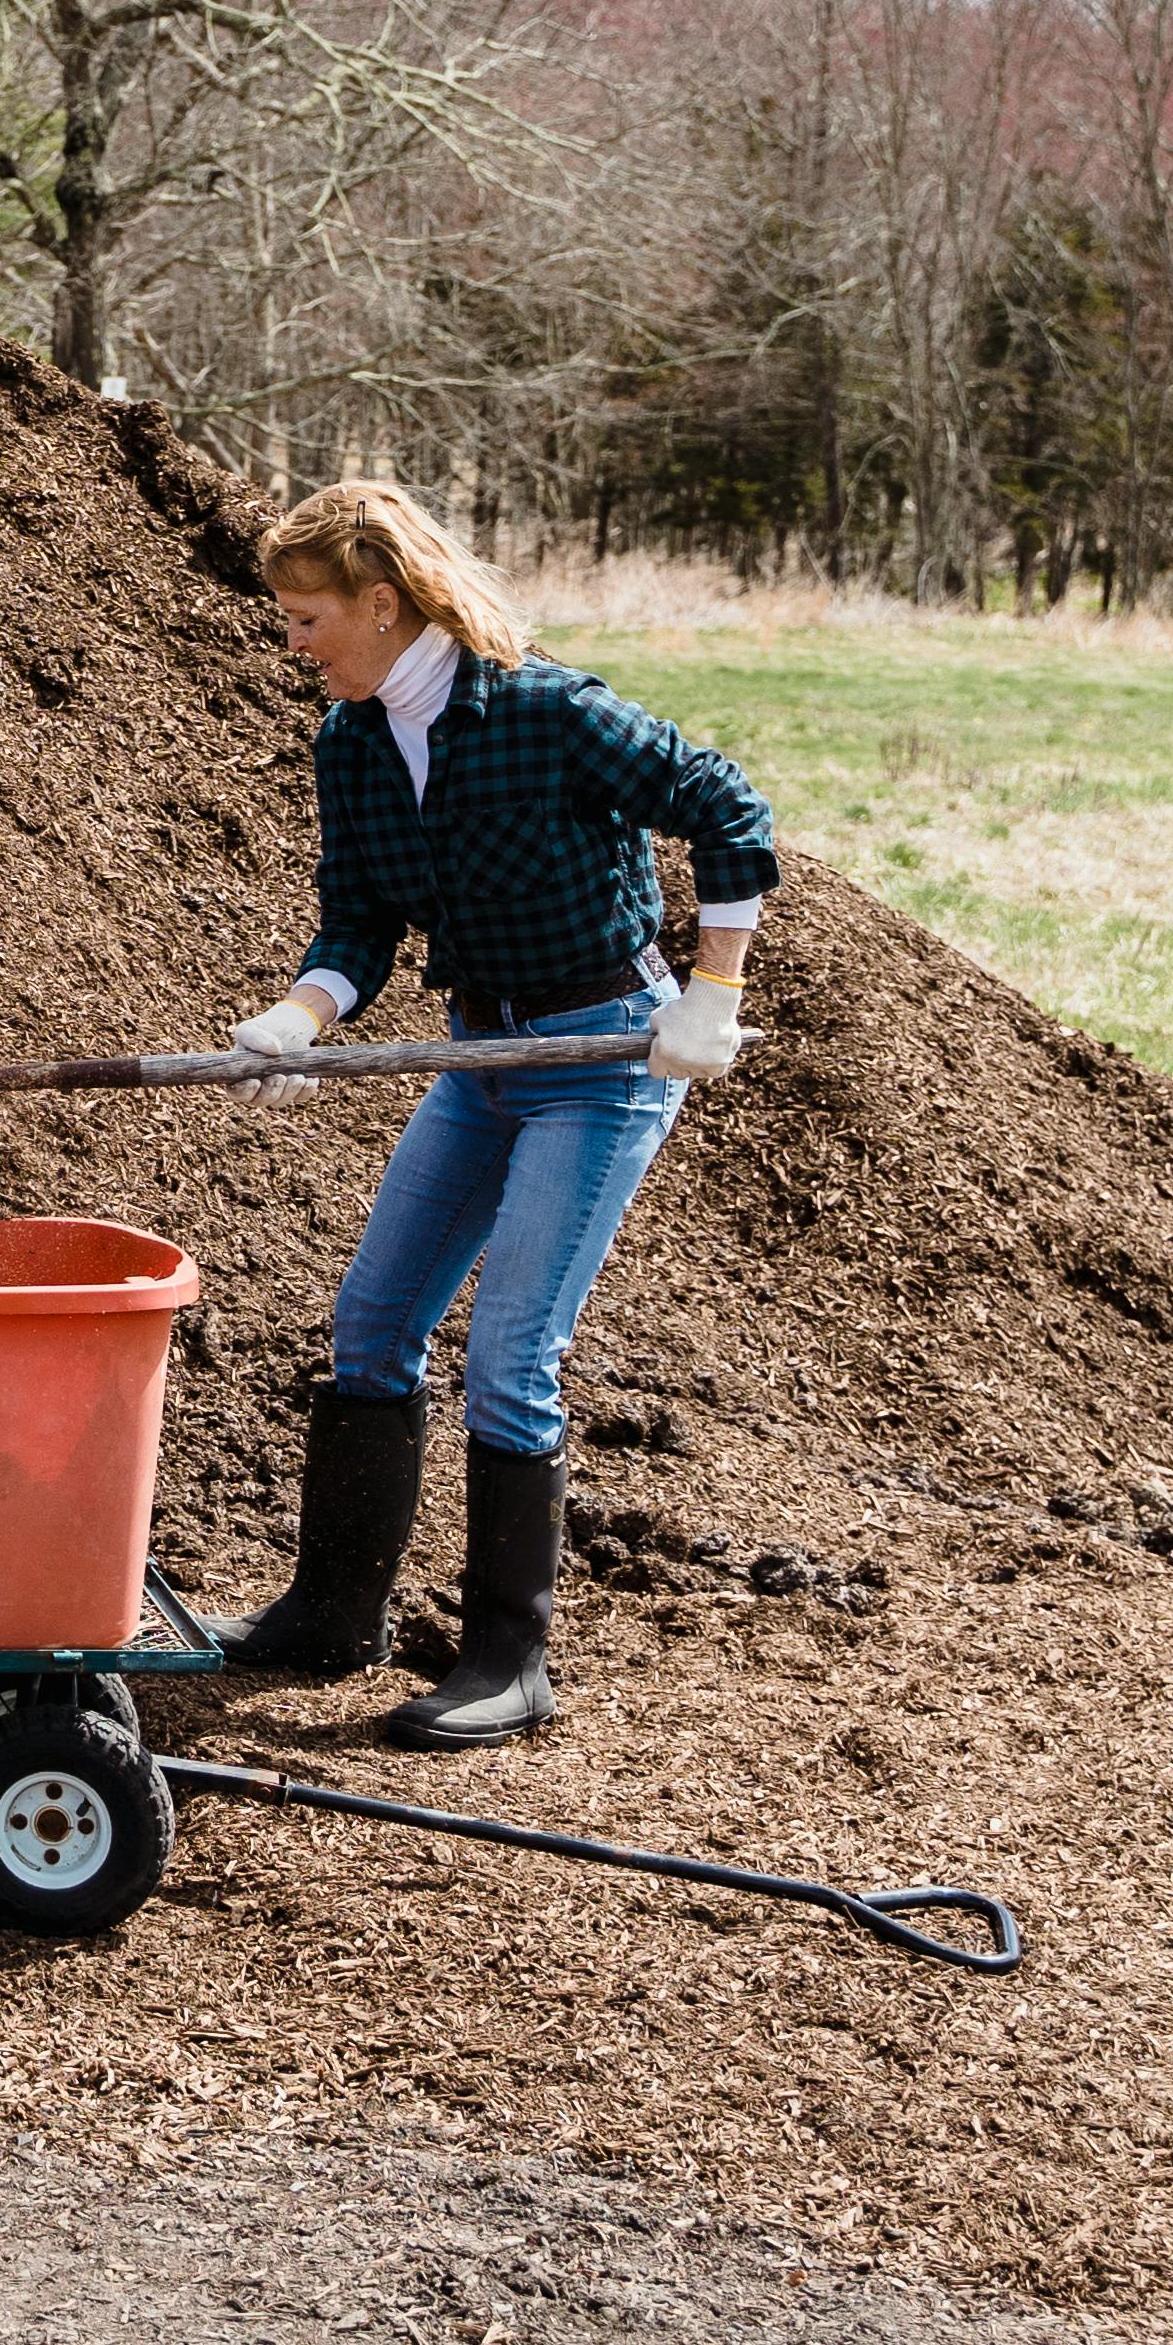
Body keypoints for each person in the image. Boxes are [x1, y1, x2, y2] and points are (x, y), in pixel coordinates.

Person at [219, 480, 773, 1750]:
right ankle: (331, 1612)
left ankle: (507, 1661)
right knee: (372, 1322)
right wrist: (299, 1017)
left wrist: (712, 987)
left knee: (513, 1358)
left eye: (306, 618)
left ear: (380, 602)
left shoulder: (546, 711)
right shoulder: (353, 744)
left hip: (603, 1055)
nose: (291, 641)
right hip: (483, 1052)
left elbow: (727, 803)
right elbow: (358, 923)